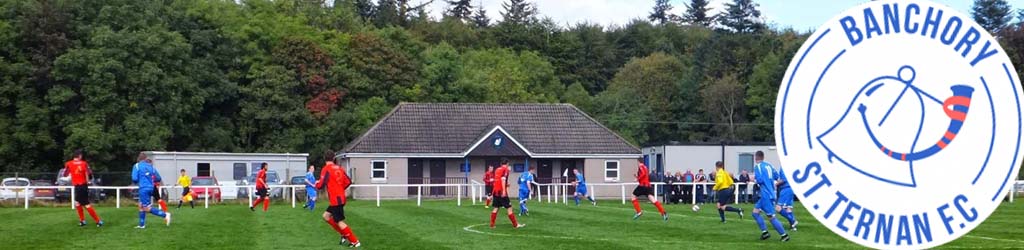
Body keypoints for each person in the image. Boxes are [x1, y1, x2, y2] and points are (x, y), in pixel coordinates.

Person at [315, 151, 360, 247]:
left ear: (324, 158)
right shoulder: (339, 168)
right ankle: (343, 234)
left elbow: (321, 184)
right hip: (340, 198)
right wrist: (340, 188)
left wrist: (316, 184)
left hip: (336, 199)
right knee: (326, 216)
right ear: (334, 158)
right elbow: (348, 181)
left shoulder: (326, 169)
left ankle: (355, 241)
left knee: (339, 221)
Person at [752, 151, 789, 241]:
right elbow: (777, 177)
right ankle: (765, 233)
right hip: (769, 193)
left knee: (771, 217)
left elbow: (760, 180)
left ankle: (784, 235)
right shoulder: (769, 166)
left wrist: (754, 179)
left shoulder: (758, 167)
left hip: (766, 195)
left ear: (755, 158)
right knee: (755, 213)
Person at [63, 149, 103, 227]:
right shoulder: (84, 163)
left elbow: (65, 174)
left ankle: (98, 221)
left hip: (77, 186)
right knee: (78, 203)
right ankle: (82, 221)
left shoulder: (69, 163)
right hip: (83, 186)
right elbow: (89, 174)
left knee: (85, 204)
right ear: (80, 156)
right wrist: (88, 180)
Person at [131, 152, 170, 229]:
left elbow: (134, 179)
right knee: (141, 205)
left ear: (139, 159)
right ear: (145, 159)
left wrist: (139, 180)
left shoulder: (136, 166)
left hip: (143, 188)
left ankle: (165, 215)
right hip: (152, 187)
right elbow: (158, 178)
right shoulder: (151, 167)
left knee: (146, 208)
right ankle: (141, 225)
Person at [489, 160, 523, 228]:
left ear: (501, 164)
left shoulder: (497, 169)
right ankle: (515, 225)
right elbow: (503, 179)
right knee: (509, 208)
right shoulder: (505, 169)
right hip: (501, 192)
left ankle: (492, 225)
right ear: (507, 164)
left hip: (496, 191)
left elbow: (497, 181)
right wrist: (504, 190)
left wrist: (493, 193)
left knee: (496, 208)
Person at [775, 165, 799, 231]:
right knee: (788, 208)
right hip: (791, 188)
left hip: (786, 189)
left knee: (778, 208)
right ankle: (792, 227)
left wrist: (775, 184)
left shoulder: (784, 166)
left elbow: (783, 180)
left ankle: (793, 221)